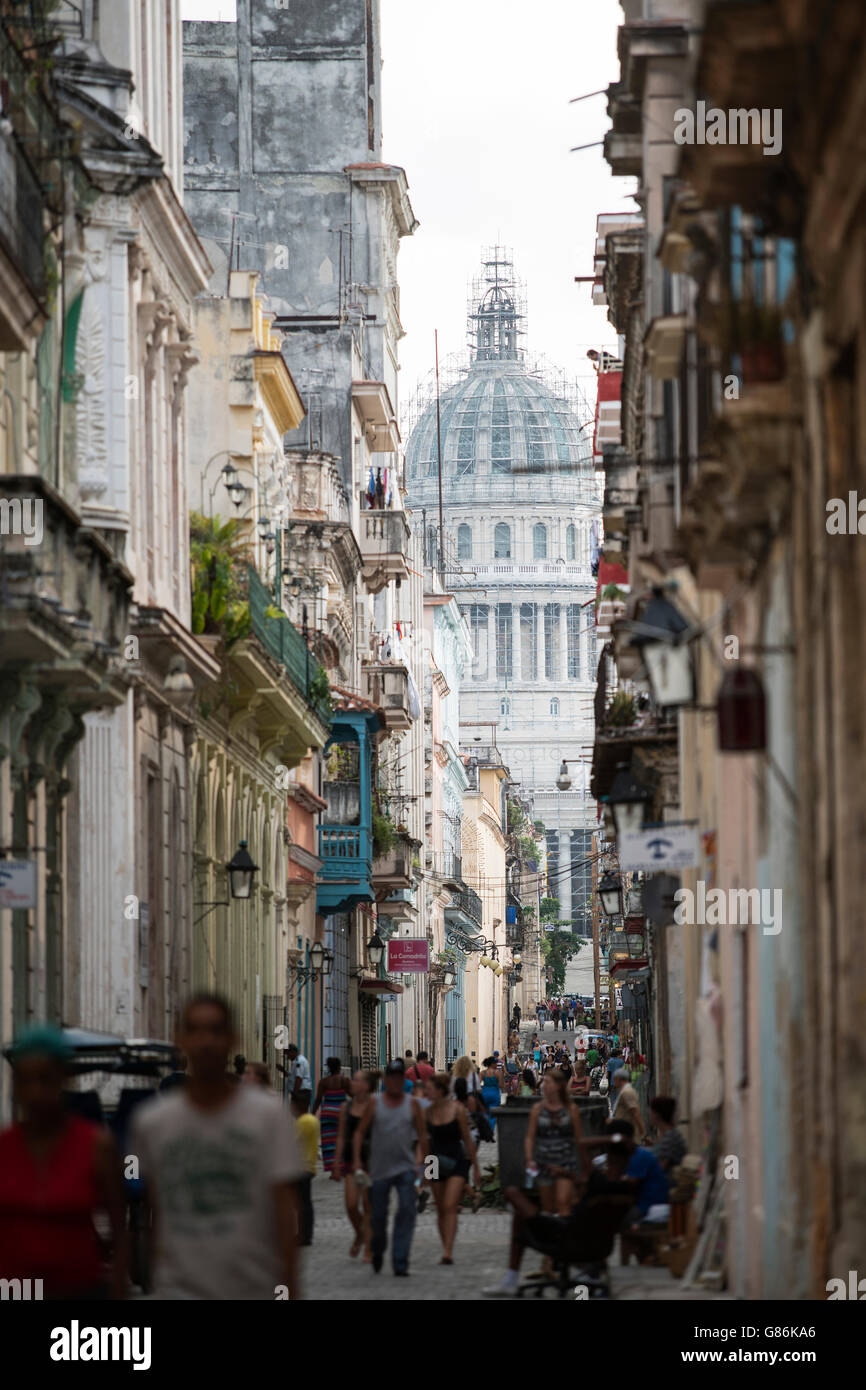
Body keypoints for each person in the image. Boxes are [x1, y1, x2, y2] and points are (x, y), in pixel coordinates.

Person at [131, 994, 304, 1299]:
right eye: (195, 1031)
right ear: (180, 1039)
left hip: (252, 1288)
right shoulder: (152, 1124)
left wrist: (290, 1286)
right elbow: (152, 1208)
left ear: (232, 1039)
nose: (205, 1041)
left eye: (215, 1030)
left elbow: (284, 1212)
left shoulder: (268, 1117)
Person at [0, 1026, 128, 1300]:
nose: (36, 1092)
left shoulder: (97, 1146)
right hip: (15, 1291)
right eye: (26, 1081)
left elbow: (119, 1230)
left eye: (45, 1080)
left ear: (61, 1080)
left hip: (79, 1288)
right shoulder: (3, 1149)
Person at [352, 1059, 427, 1276]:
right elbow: (359, 1133)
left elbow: (423, 1137)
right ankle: (377, 1248)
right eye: (391, 1077)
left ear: (403, 1080)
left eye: (398, 1077)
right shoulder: (375, 1103)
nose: (395, 1081)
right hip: (379, 1169)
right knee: (378, 1215)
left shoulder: (412, 1104)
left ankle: (400, 1260)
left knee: (406, 1210)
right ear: (386, 1079)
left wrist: (429, 1171)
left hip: (405, 1168)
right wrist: (357, 1160)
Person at [425, 1073, 481, 1263]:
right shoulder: (428, 1112)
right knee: (441, 1208)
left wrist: (476, 1168)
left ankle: (448, 1250)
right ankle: (445, 1245)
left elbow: (466, 1138)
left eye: (430, 1089)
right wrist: (424, 1170)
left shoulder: (457, 1109)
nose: (426, 1092)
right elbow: (425, 1143)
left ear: (440, 1091)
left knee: (449, 1206)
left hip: (456, 1159)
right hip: (433, 1161)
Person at [524, 1070, 586, 1217]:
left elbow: (579, 1138)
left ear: (558, 1086)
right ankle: (551, 1236)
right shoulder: (537, 1109)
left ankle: (564, 1235)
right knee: (547, 1207)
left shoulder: (571, 1109)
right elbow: (530, 1136)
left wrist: (584, 1164)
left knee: (563, 1201)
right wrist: (529, 1158)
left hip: (565, 1162)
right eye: (543, 1082)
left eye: (547, 1082)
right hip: (544, 1162)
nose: (543, 1085)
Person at [331, 1070, 377, 1260]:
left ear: (366, 1086)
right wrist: (336, 1161)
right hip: (351, 1159)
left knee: (368, 1205)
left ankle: (368, 1247)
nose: (352, 1082)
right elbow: (341, 1135)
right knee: (350, 1205)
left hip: (372, 1160)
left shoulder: (376, 1107)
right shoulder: (346, 1107)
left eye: (357, 1080)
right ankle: (360, 1233)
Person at [313, 1055, 351, 1173]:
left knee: (328, 1141)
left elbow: (318, 1099)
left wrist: (312, 1113)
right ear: (339, 1067)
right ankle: (341, 1165)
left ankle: (332, 1168)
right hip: (341, 1113)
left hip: (327, 1113)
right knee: (342, 1139)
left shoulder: (324, 1082)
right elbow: (353, 1095)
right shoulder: (344, 1081)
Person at [291, 1092, 319, 1245]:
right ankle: (306, 1233)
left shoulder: (302, 1122)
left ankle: (304, 1233)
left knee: (301, 1203)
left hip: (301, 1165)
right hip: (309, 1165)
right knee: (306, 1202)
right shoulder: (313, 1120)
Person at [649, 1096, 686, 1173]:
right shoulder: (666, 1136)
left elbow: (660, 1168)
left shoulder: (671, 1137)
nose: (650, 1115)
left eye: (651, 1112)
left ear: (657, 1114)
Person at [610, 1068, 646, 1139]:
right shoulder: (624, 1091)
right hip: (623, 1130)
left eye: (615, 1079)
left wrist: (643, 1133)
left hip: (628, 1132)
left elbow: (635, 1112)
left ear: (619, 1079)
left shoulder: (627, 1092)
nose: (614, 1082)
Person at [286, 1043, 312, 1107]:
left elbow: (298, 1078)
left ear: (292, 1052)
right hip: (301, 1092)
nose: (287, 1057)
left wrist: (295, 1095)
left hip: (301, 1092)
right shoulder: (298, 1061)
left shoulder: (299, 1061)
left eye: (287, 1054)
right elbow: (293, 1077)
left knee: (298, 1112)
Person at [479, 1056, 501, 1132]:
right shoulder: (497, 1073)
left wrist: (481, 1091)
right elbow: (501, 1085)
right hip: (495, 1094)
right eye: (495, 1063)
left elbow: (477, 1085)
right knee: (493, 1114)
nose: (496, 1065)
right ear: (492, 1064)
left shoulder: (483, 1073)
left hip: (484, 1094)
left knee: (485, 1112)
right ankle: (490, 1130)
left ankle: (485, 1128)